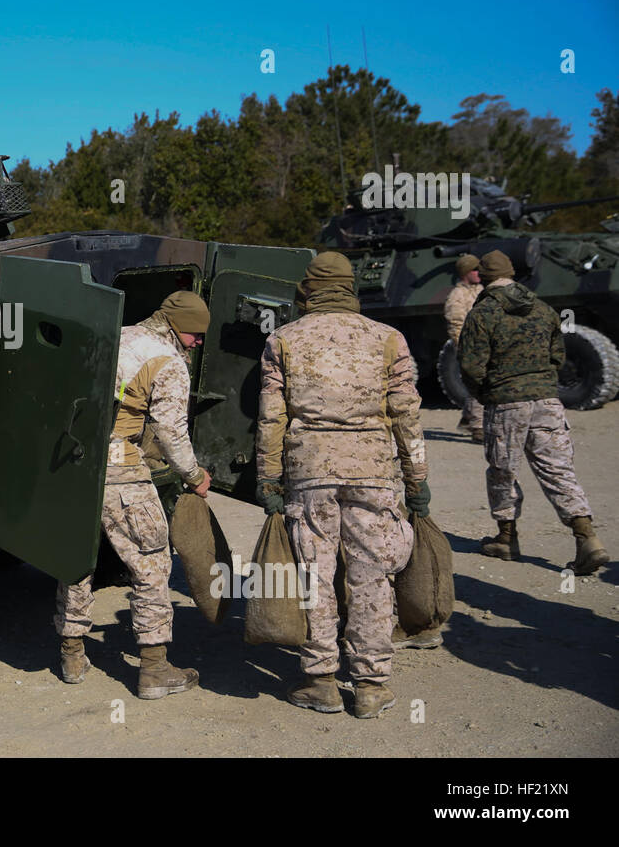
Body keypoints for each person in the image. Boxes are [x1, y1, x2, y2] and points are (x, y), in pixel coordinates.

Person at [256, 252, 428, 719]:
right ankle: (371, 685)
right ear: (352, 288)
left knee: (314, 574)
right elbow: (407, 416)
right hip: (372, 470)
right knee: (372, 574)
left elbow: (271, 417)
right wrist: (417, 480)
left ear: (308, 290)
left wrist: (267, 477)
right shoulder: (389, 339)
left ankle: (321, 680)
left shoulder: (283, 340)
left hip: (309, 471)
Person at [54, 291, 211, 700]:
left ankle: (72, 655)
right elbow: (172, 433)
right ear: (178, 327)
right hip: (120, 468)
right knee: (152, 561)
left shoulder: (111, 335)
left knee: (75, 557)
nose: (197, 342)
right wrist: (194, 476)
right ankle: (155, 669)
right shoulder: (168, 361)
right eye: (195, 334)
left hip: (73, 464)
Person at [458, 250, 608, 575]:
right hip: (547, 401)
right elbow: (558, 356)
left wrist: (487, 393)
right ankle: (588, 539)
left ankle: (506, 538)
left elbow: (470, 366)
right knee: (557, 469)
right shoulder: (543, 308)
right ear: (514, 274)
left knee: (503, 469)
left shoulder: (482, 312)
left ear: (482, 278)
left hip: (505, 403)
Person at [444, 253, 484, 442]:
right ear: (465, 272)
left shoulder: (481, 289)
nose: (479, 272)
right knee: (478, 385)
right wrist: (466, 347)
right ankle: (478, 428)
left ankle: (469, 418)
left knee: (480, 385)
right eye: (475, 269)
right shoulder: (457, 295)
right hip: (471, 347)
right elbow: (456, 324)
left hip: (485, 345)